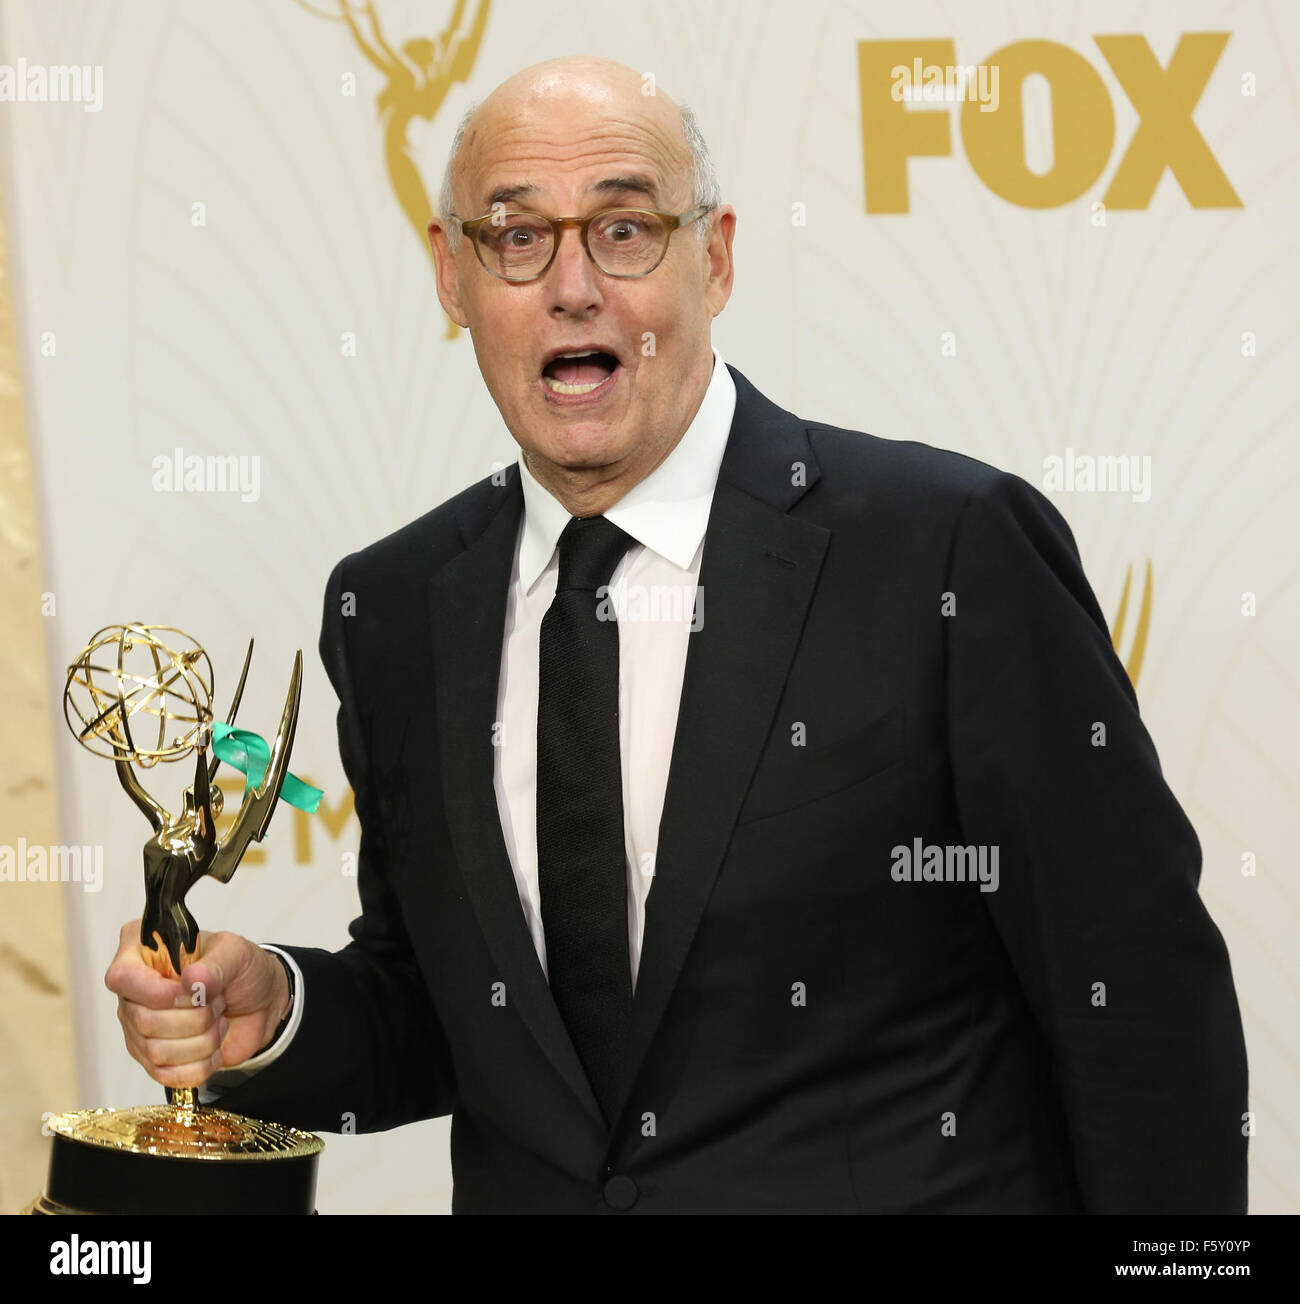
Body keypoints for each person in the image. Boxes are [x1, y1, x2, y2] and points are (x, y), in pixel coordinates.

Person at [105, 55, 1248, 1214]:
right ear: (451, 277)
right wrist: (279, 1010)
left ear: (717, 255)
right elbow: (460, 1018)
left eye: (624, 228)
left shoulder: (945, 550)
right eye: (515, 237)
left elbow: (1136, 996)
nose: (571, 287)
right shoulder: (394, 605)